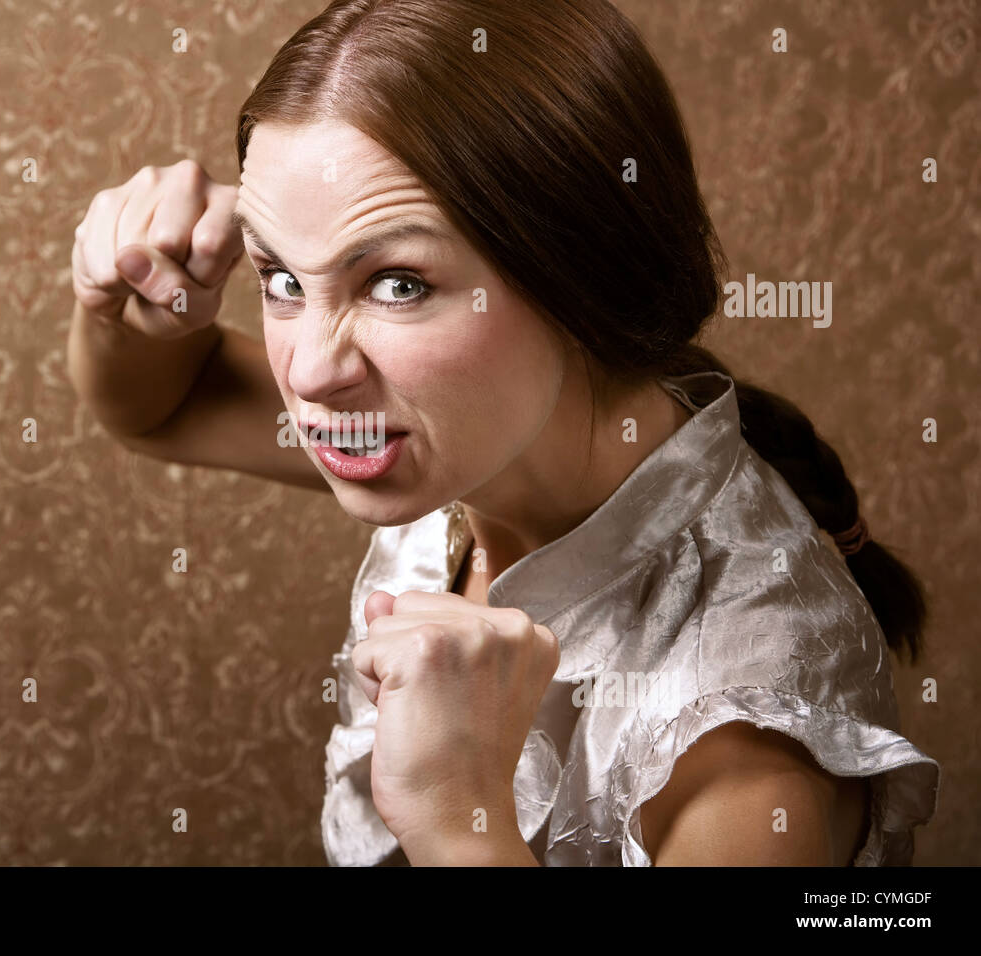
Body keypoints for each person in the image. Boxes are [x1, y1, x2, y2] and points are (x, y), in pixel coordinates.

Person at [67, 0, 940, 865]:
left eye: (398, 284)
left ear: (583, 278)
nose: (307, 374)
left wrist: (460, 827)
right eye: (282, 278)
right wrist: (130, 299)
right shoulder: (467, 433)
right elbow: (167, 405)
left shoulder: (743, 750)